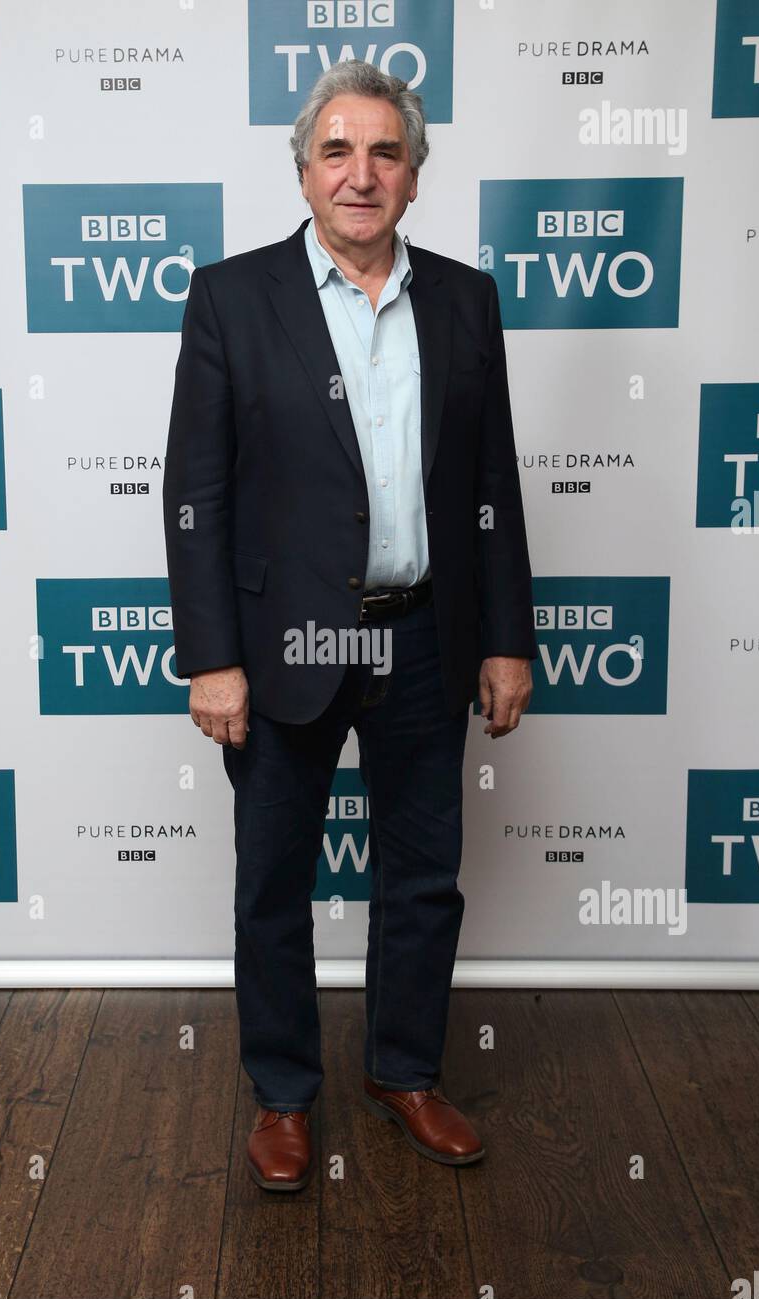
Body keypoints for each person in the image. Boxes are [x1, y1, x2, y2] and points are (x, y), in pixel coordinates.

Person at [163, 59, 537, 1192]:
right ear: (305, 170)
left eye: (384, 152)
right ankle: (283, 1095)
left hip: (424, 635)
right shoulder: (230, 297)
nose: (359, 173)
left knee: (422, 874)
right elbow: (198, 493)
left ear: (414, 177)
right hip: (283, 650)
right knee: (273, 879)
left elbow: (492, 483)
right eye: (337, 150)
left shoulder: (466, 300)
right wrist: (213, 657)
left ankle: (405, 1070)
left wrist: (504, 635)